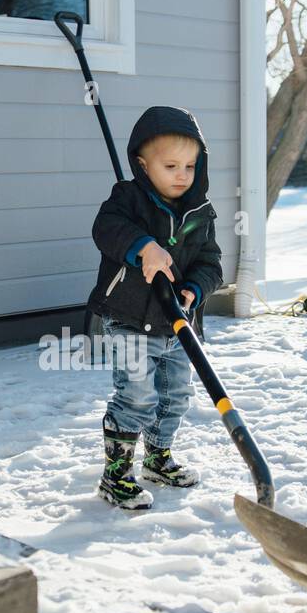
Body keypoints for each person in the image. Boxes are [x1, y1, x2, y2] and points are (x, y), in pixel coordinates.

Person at [87, 106, 223, 509]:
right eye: (170, 165)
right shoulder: (126, 200)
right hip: (129, 321)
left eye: (190, 165)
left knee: (175, 396)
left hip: (178, 324)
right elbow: (106, 230)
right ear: (144, 166)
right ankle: (116, 475)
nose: (182, 174)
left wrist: (195, 289)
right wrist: (143, 246)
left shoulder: (201, 213)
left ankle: (158, 459)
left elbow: (211, 263)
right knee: (137, 397)